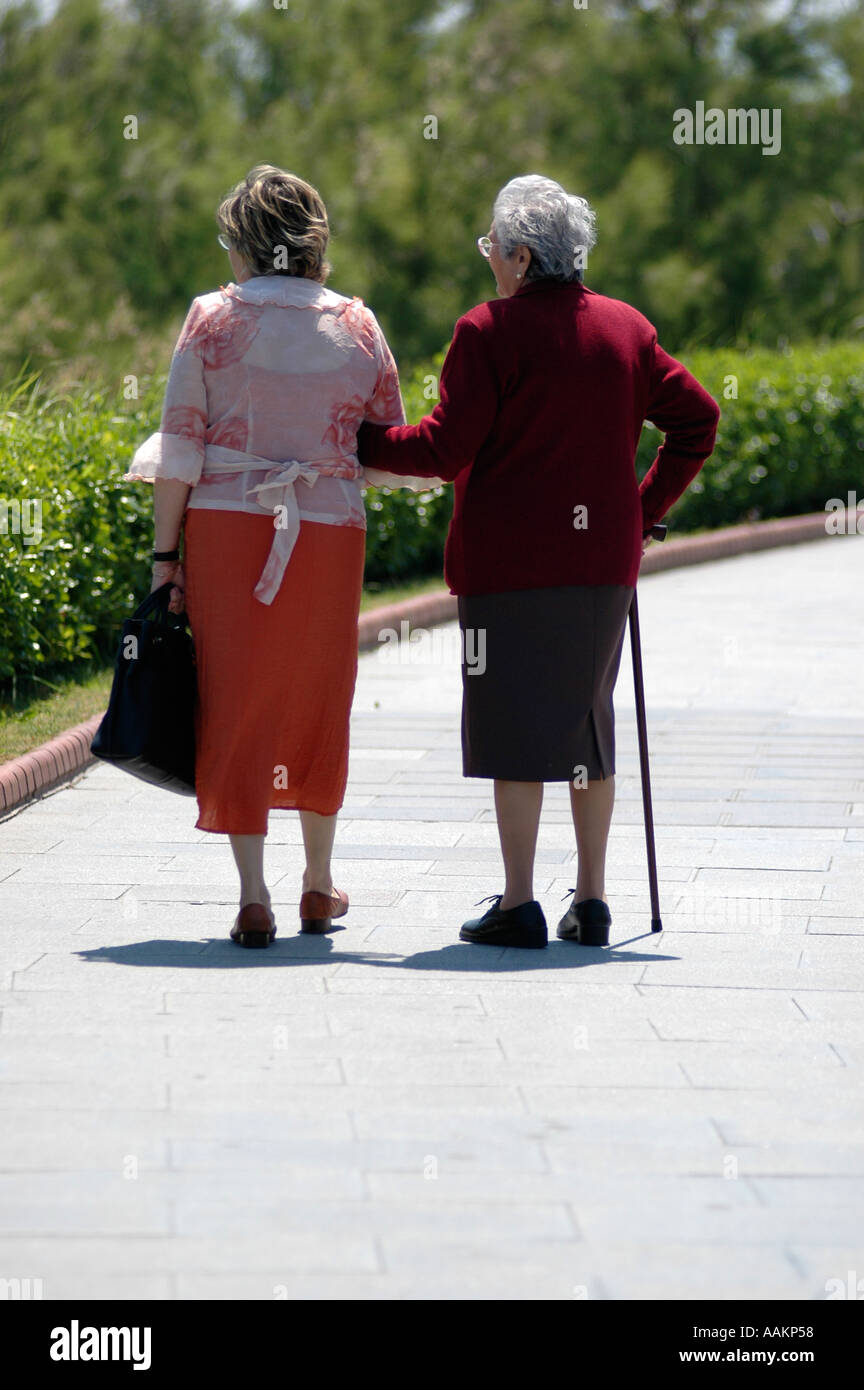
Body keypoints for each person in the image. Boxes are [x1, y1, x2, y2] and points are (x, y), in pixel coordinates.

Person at [357, 174, 720, 950]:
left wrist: (357, 441)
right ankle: (590, 901)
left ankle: (519, 903)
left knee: (512, 730)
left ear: (520, 256)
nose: (489, 260)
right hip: (602, 567)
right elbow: (699, 420)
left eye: (493, 248)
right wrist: (643, 511)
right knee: (589, 728)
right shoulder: (626, 328)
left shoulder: (487, 332)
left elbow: (443, 448)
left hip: (508, 569)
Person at [123, 163, 431, 948]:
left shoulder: (210, 320)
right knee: (321, 694)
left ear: (245, 243)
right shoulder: (358, 324)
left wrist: (166, 560)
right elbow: (381, 443)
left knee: (235, 698)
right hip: (328, 532)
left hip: (227, 528)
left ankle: (254, 896)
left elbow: (181, 449)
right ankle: (319, 885)